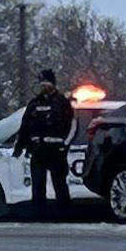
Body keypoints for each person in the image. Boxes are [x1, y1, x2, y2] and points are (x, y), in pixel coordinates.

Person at [20, 81, 75, 211]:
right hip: (38, 150)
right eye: (42, 85)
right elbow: (25, 125)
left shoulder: (62, 103)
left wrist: (64, 145)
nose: (43, 88)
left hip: (56, 151)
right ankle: (39, 212)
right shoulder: (35, 103)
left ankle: (64, 213)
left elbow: (73, 125)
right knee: (38, 184)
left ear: (53, 85)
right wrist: (23, 145)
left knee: (59, 183)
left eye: (46, 84)